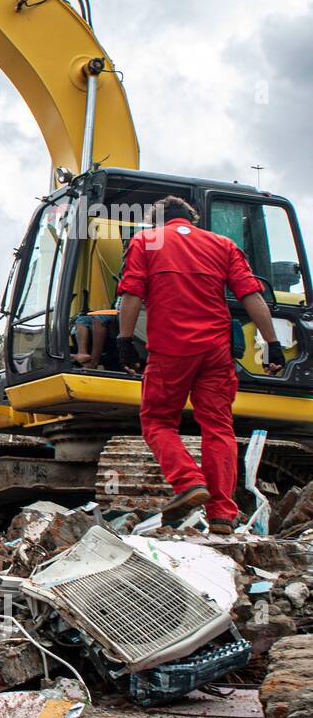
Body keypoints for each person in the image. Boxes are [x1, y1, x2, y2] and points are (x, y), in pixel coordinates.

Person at [117, 196, 285, 534]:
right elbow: (252, 295)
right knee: (219, 427)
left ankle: (189, 482)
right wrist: (273, 343)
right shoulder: (222, 244)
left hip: (171, 349)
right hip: (217, 351)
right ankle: (222, 512)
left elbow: (132, 293)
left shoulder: (148, 240)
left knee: (158, 421)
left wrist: (123, 341)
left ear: (157, 221)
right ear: (191, 218)